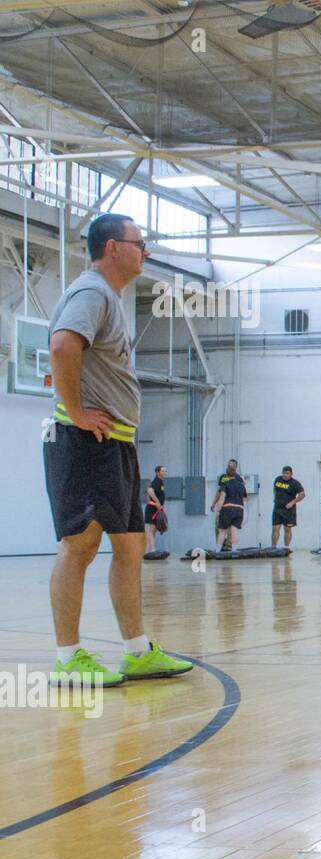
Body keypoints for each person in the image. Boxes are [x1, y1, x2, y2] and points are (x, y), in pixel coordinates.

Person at [43, 212, 191, 687]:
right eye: (139, 242)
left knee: (130, 546)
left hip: (117, 445)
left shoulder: (110, 298)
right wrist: (80, 413)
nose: (145, 251)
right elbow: (63, 347)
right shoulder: (91, 292)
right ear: (112, 248)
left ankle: (136, 651)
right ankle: (68, 657)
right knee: (80, 546)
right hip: (85, 440)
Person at [210, 458, 246, 552]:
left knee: (224, 530)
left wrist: (218, 510)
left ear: (235, 467)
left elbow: (222, 495)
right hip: (238, 508)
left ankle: (222, 550)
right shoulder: (224, 478)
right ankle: (230, 549)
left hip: (227, 507)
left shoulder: (237, 479)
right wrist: (214, 504)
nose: (230, 467)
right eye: (229, 465)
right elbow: (219, 492)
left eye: (231, 466)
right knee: (228, 530)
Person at [271, 465, 305, 549]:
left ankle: (286, 547)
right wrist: (275, 498)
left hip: (288, 510)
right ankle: (273, 547)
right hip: (277, 508)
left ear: (291, 474)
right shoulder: (278, 479)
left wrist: (292, 503)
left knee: (287, 529)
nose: (285, 475)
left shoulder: (295, 483)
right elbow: (274, 489)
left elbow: (302, 494)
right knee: (275, 528)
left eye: (287, 473)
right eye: (284, 473)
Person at [144, 464, 166, 553]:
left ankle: (148, 551)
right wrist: (157, 502)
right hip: (151, 510)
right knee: (149, 531)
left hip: (157, 510)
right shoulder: (156, 481)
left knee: (153, 531)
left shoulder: (161, 482)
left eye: (165, 471)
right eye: (163, 471)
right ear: (157, 472)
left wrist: (161, 506)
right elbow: (149, 490)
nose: (165, 473)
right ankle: (152, 550)